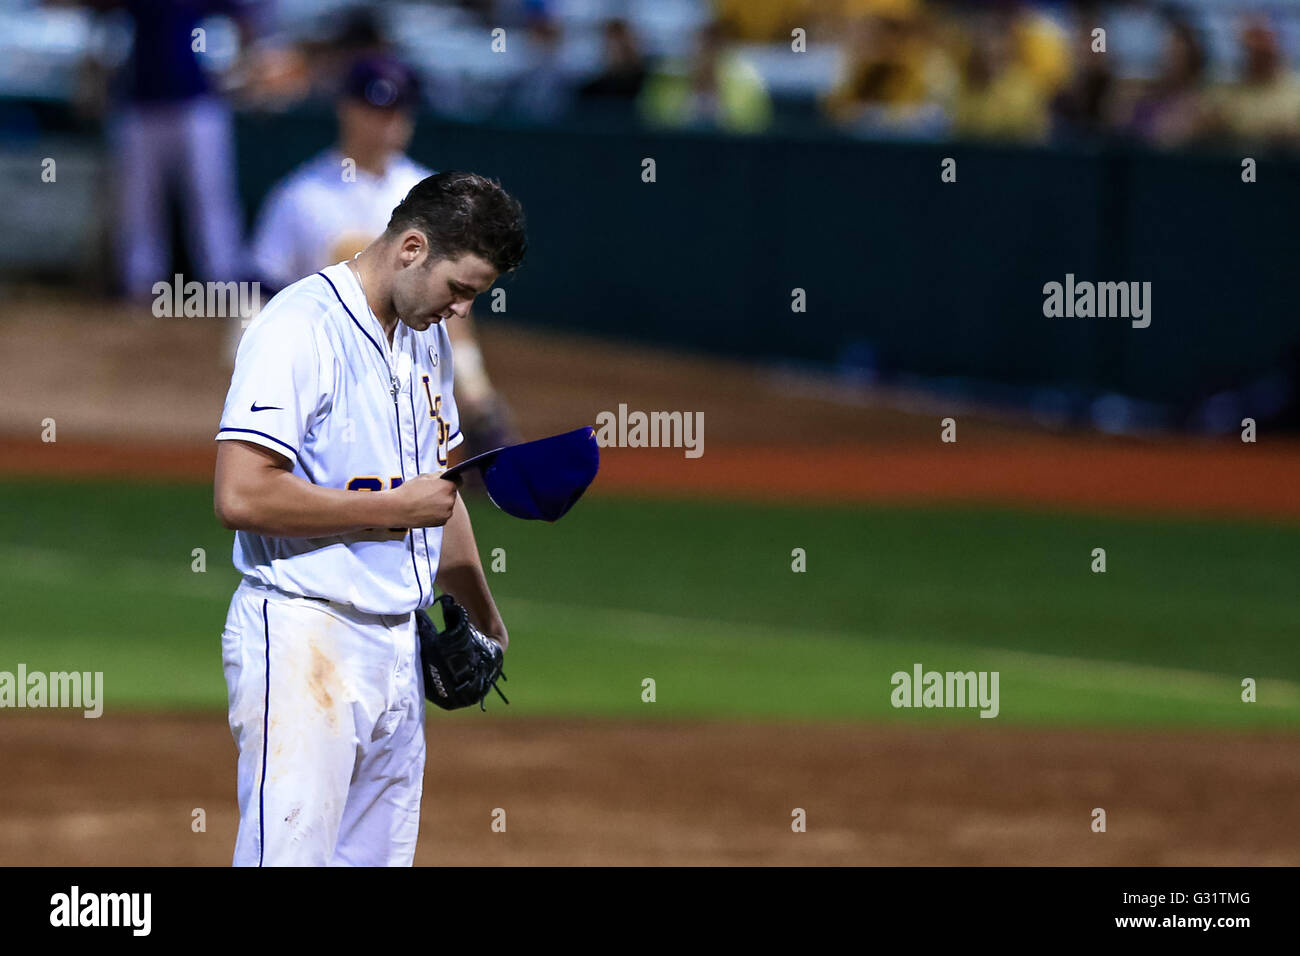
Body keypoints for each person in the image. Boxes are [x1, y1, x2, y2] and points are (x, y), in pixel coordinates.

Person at [214, 171, 526, 866]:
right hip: (302, 635)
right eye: (461, 288)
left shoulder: (426, 338)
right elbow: (241, 495)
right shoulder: (297, 328)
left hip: (397, 651)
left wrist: (483, 615)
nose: (461, 309)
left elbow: (438, 496)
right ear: (412, 247)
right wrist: (389, 510)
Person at [248, 55, 518, 458]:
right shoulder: (300, 197)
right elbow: (259, 296)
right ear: (346, 109)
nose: (388, 123)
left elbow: (455, 306)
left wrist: (476, 393)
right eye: (375, 110)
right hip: (328, 377)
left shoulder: (427, 191)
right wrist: (255, 373)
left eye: (397, 111)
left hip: (409, 382)